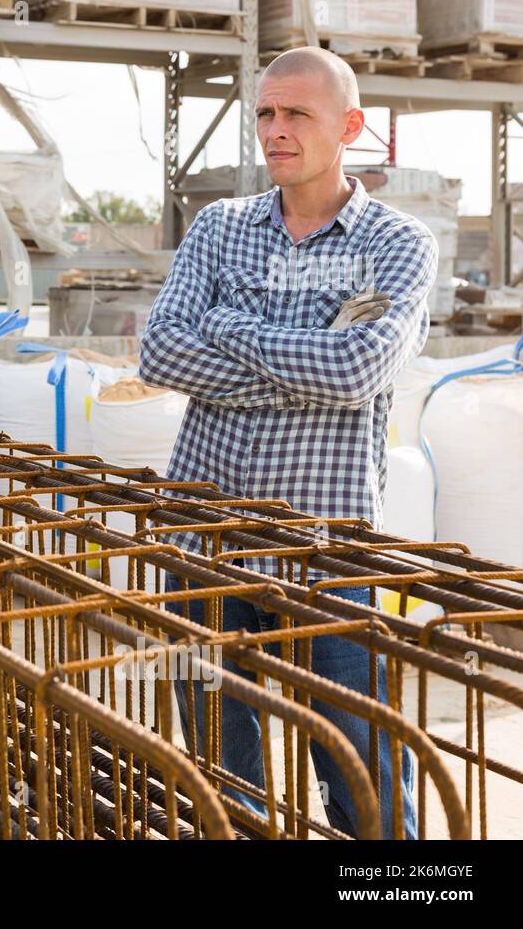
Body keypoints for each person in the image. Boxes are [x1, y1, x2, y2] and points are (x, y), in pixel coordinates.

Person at [136, 46, 429, 839]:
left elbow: (358, 368)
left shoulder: (397, 245)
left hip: (324, 551)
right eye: (265, 112)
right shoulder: (219, 228)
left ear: (350, 127)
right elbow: (159, 352)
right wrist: (304, 358)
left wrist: (229, 329)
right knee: (222, 785)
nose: (276, 129)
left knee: (365, 787)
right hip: (204, 542)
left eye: (297, 113)